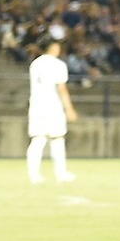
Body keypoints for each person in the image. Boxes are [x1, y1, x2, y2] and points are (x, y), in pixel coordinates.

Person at [27, 33, 78, 184]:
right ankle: (60, 173)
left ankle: (34, 175)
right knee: (57, 138)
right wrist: (69, 108)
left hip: (36, 105)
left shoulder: (35, 64)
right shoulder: (58, 65)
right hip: (53, 105)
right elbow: (61, 88)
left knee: (38, 139)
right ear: (54, 47)